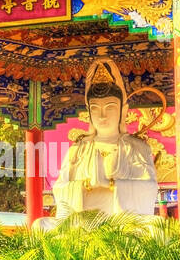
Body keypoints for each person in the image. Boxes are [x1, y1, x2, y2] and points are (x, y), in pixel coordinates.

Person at [50, 58, 159, 220]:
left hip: (122, 225)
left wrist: (113, 185)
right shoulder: (78, 149)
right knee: (40, 225)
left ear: (123, 110)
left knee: (156, 227)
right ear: (88, 111)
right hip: (84, 223)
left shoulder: (136, 148)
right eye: (95, 108)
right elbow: (60, 188)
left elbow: (150, 189)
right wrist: (85, 186)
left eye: (110, 107)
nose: (102, 115)